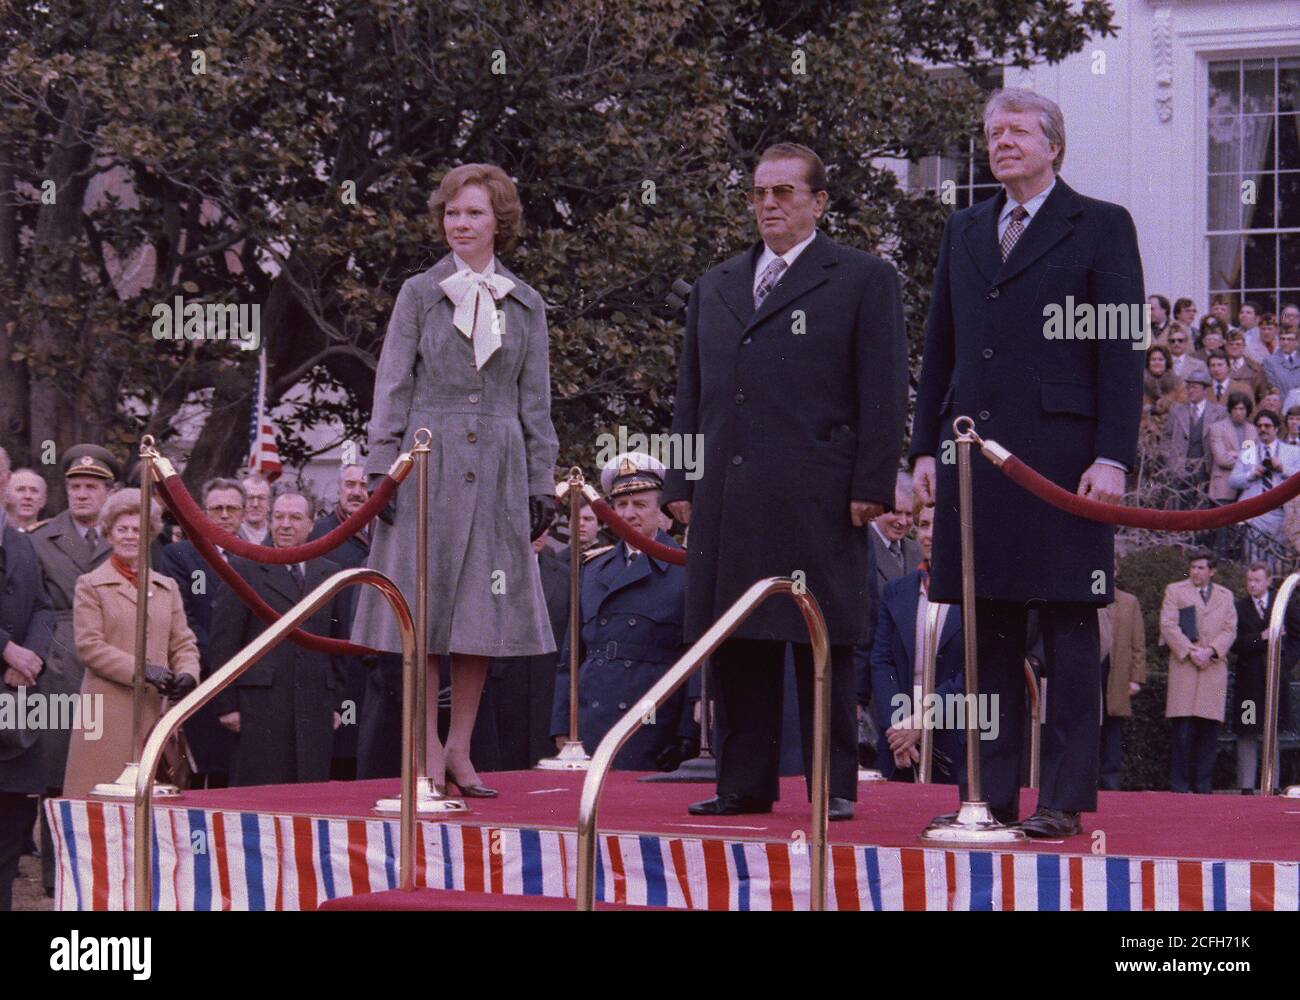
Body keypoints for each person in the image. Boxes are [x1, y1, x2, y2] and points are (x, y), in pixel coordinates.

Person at [911, 88, 1145, 838]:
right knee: (986, 629)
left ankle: (1065, 799)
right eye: (991, 132)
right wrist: (922, 446)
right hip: (975, 459)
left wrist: (1113, 455)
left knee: (1071, 623)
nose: (1001, 141)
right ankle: (990, 792)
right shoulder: (965, 227)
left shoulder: (1102, 226)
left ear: (1055, 145)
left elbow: (1121, 350)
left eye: (1016, 131)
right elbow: (939, 346)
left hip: (1064, 462)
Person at [663, 141, 906, 823]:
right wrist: (681, 477)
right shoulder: (717, 284)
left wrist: (872, 483)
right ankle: (744, 781)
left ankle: (832, 782)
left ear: (818, 202)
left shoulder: (862, 278)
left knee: (819, 635)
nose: (768, 204)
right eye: (759, 193)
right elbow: (692, 391)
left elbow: (883, 390)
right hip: (728, 493)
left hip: (819, 492)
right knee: (738, 636)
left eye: (785, 193)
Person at [352, 163, 559, 797]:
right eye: (451, 213)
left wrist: (541, 482)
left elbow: (535, 402)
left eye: (473, 213)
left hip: (499, 469)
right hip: (425, 463)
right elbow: (392, 382)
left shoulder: (525, 304)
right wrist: (382, 467)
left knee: (480, 615)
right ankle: (426, 750)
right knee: (423, 612)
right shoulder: (419, 293)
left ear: (500, 221)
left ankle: (461, 751)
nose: (459, 224)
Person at [549, 454, 694, 770]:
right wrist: (563, 724)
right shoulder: (592, 568)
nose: (629, 515)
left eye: (640, 505)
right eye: (621, 505)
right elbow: (571, 656)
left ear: (661, 511)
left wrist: (688, 732)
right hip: (591, 722)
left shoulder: (686, 569)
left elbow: (696, 661)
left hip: (651, 723)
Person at [63, 489, 200, 797]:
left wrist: (189, 673)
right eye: (122, 529)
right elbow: (89, 646)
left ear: (150, 534)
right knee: (101, 803)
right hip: (107, 712)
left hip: (157, 711)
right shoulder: (91, 585)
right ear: (109, 534)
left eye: (137, 530)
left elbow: (183, 642)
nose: (129, 536)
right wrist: (142, 670)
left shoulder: (167, 587)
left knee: (155, 801)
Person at [211, 491, 350, 786]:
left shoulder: (331, 573)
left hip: (315, 707)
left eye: (296, 517)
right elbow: (224, 642)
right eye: (279, 517)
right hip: (260, 707)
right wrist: (226, 705)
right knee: (260, 795)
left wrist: (337, 703)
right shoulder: (244, 567)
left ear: (312, 525)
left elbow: (339, 644)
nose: (285, 525)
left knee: (309, 796)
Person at [29, 443, 116, 895]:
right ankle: (56, 876)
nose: (82, 495)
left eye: (92, 487)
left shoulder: (127, 539)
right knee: (57, 772)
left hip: (112, 664)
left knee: (108, 770)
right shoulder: (39, 539)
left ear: (108, 492)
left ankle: (105, 873)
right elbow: (28, 607)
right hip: (57, 666)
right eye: (76, 486)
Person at [158, 477, 246, 788]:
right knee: (197, 774)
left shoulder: (259, 555)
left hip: (245, 681)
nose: (224, 515)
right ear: (203, 512)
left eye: (232, 508)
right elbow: (183, 616)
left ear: (243, 513)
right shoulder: (179, 555)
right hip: (202, 675)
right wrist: (223, 661)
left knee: (234, 774)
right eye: (217, 508)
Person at [869, 502, 962, 783]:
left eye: (940, 525)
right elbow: (882, 661)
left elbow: (975, 672)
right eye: (923, 525)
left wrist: (923, 721)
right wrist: (900, 728)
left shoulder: (980, 593)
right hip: (899, 736)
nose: (929, 535)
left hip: (958, 731)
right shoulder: (897, 590)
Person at [0, 451, 54, 912]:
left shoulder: (20, 542)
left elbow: (42, 605)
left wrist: (30, 655)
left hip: (16, 698)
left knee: (13, 814)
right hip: (7, 668)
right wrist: (5, 648)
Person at [306, 464, 370, 780]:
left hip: (375, 652)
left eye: (363, 484)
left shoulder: (386, 533)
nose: (357, 491)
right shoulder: (319, 533)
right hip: (336, 650)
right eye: (350, 485)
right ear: (339, 490)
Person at [1160, 551, 1236, 794]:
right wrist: (1192, 650)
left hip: (1212, 669)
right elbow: (1168, 625)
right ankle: (1180, 785)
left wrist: (1211, 651)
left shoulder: (1226, 596)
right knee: (1183, 730)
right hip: (1185, 666)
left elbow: (1229, 629)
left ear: (1211, 571)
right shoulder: (1175, 590)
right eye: (1193, 567)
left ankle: (1203, 786)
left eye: (1201, 568)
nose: (1195, 572)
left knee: (1208, 730)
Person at [1229, 563, 1290, 794]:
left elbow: (1295, 636)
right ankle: (1246, 786)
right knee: (1248, 729)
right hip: (1249, 683)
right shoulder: (1239, 607)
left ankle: (1272, 784)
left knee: (1271, 729)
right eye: (1249, 581)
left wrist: (1284, 663)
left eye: (1257, 580)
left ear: (1268, 581)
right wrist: (1261, 638)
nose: (1252, 585)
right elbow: (1235, 643)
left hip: (1274, 681)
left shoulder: (1281, 604)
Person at [1227, 409, 1300, 558]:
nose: (1263, 429)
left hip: (1282, 513)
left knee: (1278, 558)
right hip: (1256, 512)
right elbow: (1233, 481)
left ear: (1277, 428)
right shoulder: (1248, 452)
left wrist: (1282, 468)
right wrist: (1251, 474)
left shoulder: (1293, 451)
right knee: (1253, 556)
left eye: (1267, 426)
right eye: (1259, 426)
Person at [1098, 571, 1145, 791]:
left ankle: (1110, 782)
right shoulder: (1091, 600)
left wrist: (1136, 678)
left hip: (1116, 676)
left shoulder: (1129, 602)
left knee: (1112, 730)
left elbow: (1138, 644)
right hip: (1093, 672)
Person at [1164, 370, 1225, 492]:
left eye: (1195, 387)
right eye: (1189, 387)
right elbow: (1166, 438)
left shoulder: (1219, 412)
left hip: (1207, 471)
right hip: (1179, 471)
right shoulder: (1176, 411)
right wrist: (1170, 461)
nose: (1190, 391)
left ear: (1205, 391)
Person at [1207, 393, 1258, 504]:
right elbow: (1222, 459)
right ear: (1230, 410)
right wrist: (1245, 460)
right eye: (1234, 408)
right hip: (1224, 486)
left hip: (1247, 487)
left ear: (1247, 410)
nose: (1238, 412)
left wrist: (1236, 454)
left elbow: (1255, 459)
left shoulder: (1253, 430)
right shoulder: (1217, 428)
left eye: (1241, 409)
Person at [1224, 330, 1266, 403]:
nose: (1234, 347)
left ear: (1244, 346)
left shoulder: (1256, 369)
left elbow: (1262, 397)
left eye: (1238, 344)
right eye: (1231, 344)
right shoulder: (1218, 366)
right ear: (1226, 346)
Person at [1262, 325, 1300, 400]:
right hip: (1281, 405)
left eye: (1289, 339)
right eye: (1282, 339)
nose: (1285, 342)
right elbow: (1272, 386)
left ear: (1297, 341)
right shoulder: (1269, 362)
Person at [238, 474, 272, 545]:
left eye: (261, 498)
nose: (255, 504)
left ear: (269, 503)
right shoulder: (231, 535)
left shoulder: (278, 535)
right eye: (249, 498)